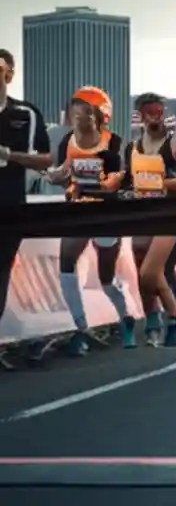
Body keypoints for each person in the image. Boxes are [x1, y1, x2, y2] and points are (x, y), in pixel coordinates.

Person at [45, 87, 131, 355]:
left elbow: (113, 185)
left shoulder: (114, 144)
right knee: (66, 264)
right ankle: (81, 329)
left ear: (100, 116)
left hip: (106, 215)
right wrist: (57, 178)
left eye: (85, 111)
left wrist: (81, 186)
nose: (78, 117)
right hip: (78, 212)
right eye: (76, 111)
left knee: (106, 278)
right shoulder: (66, 143)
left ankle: (125, 316)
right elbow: (63, 175)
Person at [122, 93, 176, 349]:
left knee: (149, 273)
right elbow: (127, 182)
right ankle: (153, 320)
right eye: (149, 111)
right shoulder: (131, 148)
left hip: (171, 214)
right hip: (143, 214)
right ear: (140, 115)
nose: (154, 116)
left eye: (158, 110)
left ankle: (173, 319)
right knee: (141, 270)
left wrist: (161, 183)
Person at [0, 49, 53, 370]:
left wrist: (10, 155)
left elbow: (46, 160)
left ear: (9, 74)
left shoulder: (25, 114)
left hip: (9, 209)